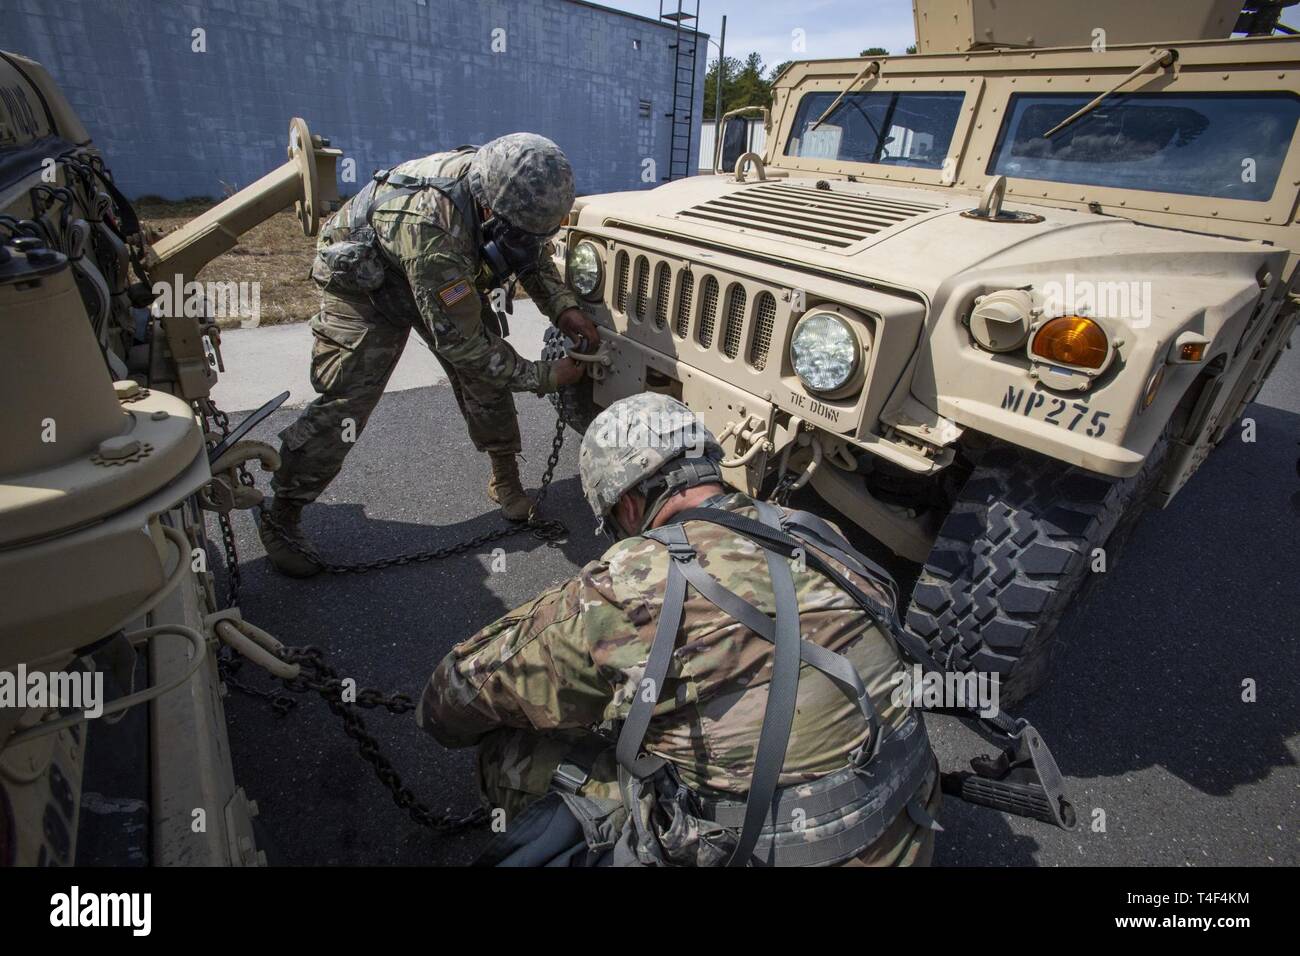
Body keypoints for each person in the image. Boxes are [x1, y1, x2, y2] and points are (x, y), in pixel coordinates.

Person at [416, 393, 943, 867]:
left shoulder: (626, 583)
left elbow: (450, 700)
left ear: (626, 505)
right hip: (906, 831)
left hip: (771, 853)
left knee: (507, 753)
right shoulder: (814, 531)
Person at [258, 132, 600, 577]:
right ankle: (282, 514)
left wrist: (565, 309)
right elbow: (464, 344)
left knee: (485, 381)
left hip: (431, 271)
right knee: (348, 400)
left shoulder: (512, 185)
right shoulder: (432, 228)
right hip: (368, 285)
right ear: (491, 209)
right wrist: (545, 376)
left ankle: (506, 481)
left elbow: (530, 256)